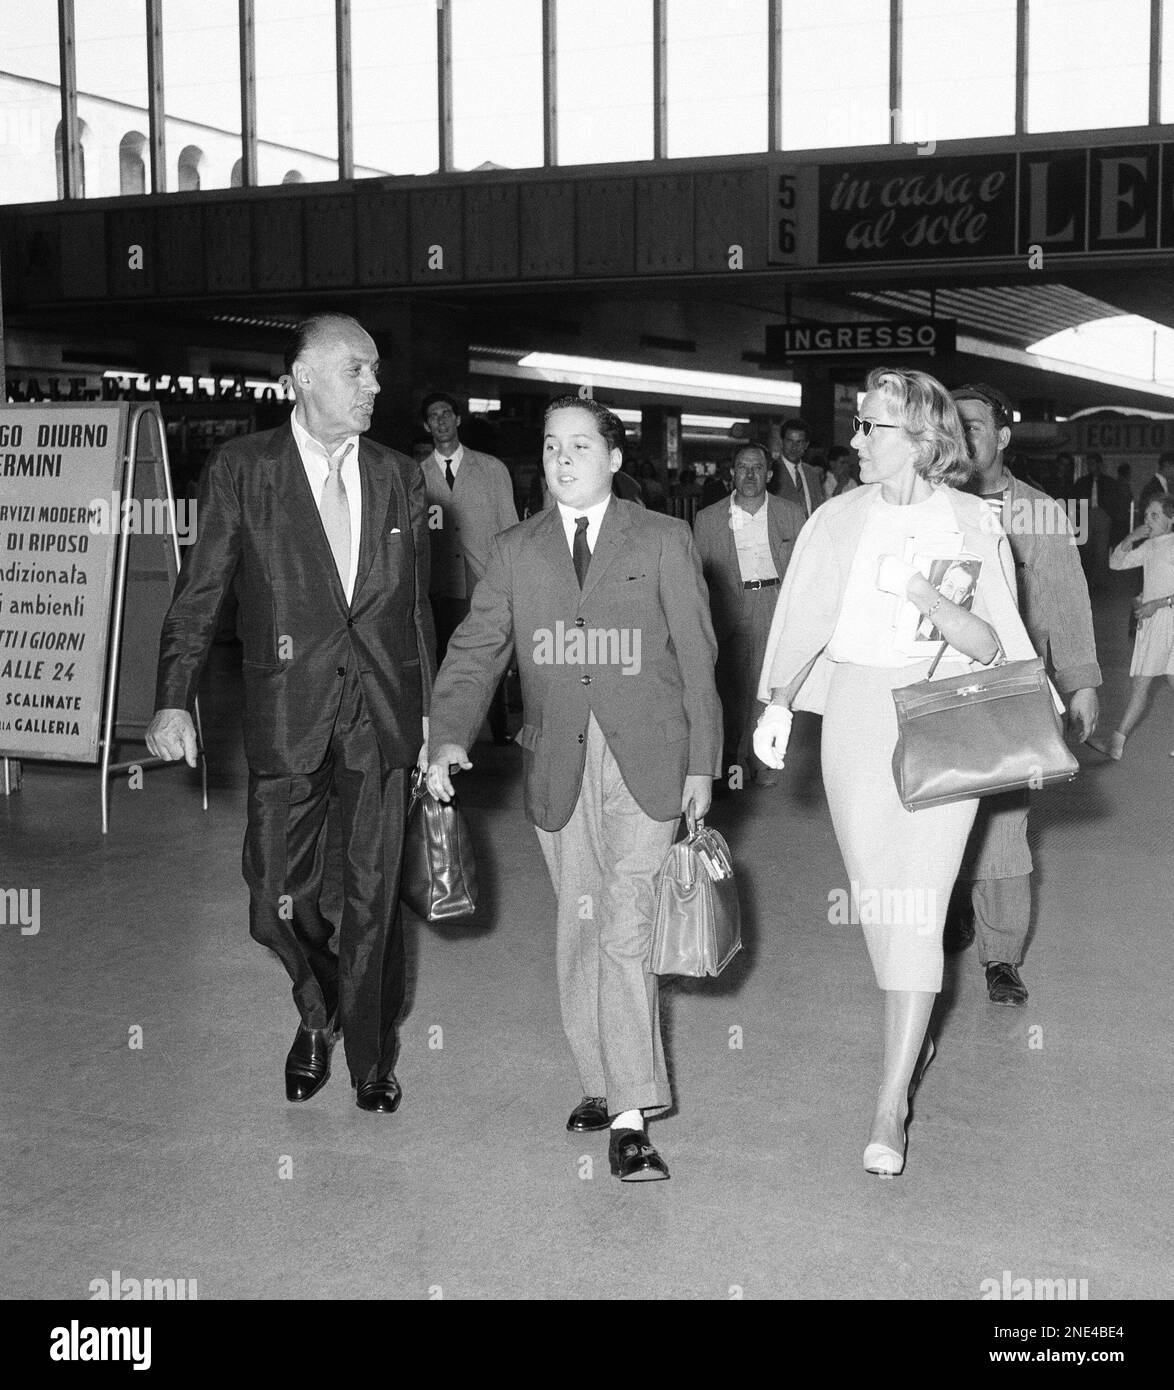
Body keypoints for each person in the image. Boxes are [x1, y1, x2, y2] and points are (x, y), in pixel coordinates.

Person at [753, 367, 1042, 1177]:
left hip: (940, 713)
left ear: (919, 438)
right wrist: (778, 704)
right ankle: (910, 1041)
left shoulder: (971, 521)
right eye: (857, 423)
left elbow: (992, 641)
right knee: (882, 901)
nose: (854, 439)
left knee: (918, 906)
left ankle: (890, 1104)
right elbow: (804, 616)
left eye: (870, 426)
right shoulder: (836, 518)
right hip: (854, 712)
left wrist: (920, 590)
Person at [426, 395, 721, 1183]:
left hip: (648, 761)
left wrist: (703, 763)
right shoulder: (514, 549)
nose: (563, 458)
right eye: (552, 445)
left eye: (581, 445)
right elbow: (476, 650)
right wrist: (447, 733)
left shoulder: (663, 538)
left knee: (626, 926)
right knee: (581, 927)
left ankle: (630, 1115)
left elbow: (699, 662)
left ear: (614, 458)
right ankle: (600, 1078)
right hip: (558, 760)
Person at [147, 313, 435, 1113]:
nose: (374, 384)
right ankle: (320, 1005)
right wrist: (173, 697)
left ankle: (371, 1059)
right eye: (356, 370)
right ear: (304, 377)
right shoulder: (243, 469)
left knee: (375, 896)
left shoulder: (397, 475)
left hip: (381, 712)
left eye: (374, 370)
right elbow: (202, 590)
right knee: (275, 896)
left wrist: (435, 723)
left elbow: (414, 607)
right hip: (287, 712)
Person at [947, 383, 1100, 1006]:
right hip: (939, 691)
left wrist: (1082, 683)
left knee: (1005, 825)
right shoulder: (929, 505)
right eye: (953, 425)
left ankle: (1001, 956)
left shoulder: (1039, 513)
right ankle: (953, 907)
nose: (963, 436)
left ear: (1004, 436)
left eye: (975, 426)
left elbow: (1067, 600)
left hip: (1013, 691)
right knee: (939, 813)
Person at [693, 444, 805, 788]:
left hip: (773, 602)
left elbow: (804, 570)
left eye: (758, 468)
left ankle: (762, 760)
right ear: (732, 473)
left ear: (769, 474)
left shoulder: (791, 514)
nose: (750, 474)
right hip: (729, 607)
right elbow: (698, 577)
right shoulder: (708, 519)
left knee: (767, 686)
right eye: (743, 467)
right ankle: (729, 766)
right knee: (729, 690)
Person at [419, 391, 518, 744]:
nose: (441, 420)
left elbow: (510, 528)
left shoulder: (492, 469)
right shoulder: (416, 476)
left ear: (459, 419)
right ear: (426, 426)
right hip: (440, 585)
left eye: (447, 413)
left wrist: (511, 581)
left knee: (490, 654)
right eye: (434, 415)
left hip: (484, 579)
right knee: (445, 659)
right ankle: (449, 734)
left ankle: (499, 726)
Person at [1089, 496, 1174, 759]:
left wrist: (1157, 603)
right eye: (1146, 515)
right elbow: (1116, 563)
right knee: (1144, 685)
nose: (1148, 520)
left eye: (1155, 515)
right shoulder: (1149, 546)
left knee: (1148, 684)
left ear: (1171, 519)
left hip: (1168, 621)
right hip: (1152, 623)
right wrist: (1131, 538)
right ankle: (1116, 743)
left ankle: (1116, 742)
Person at [769, 416, 823, 517]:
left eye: (799, 442)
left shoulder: (812, 474)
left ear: (806, 445)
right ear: (781, 442)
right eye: (790, 441)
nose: (794, 447)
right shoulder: (771, 471)